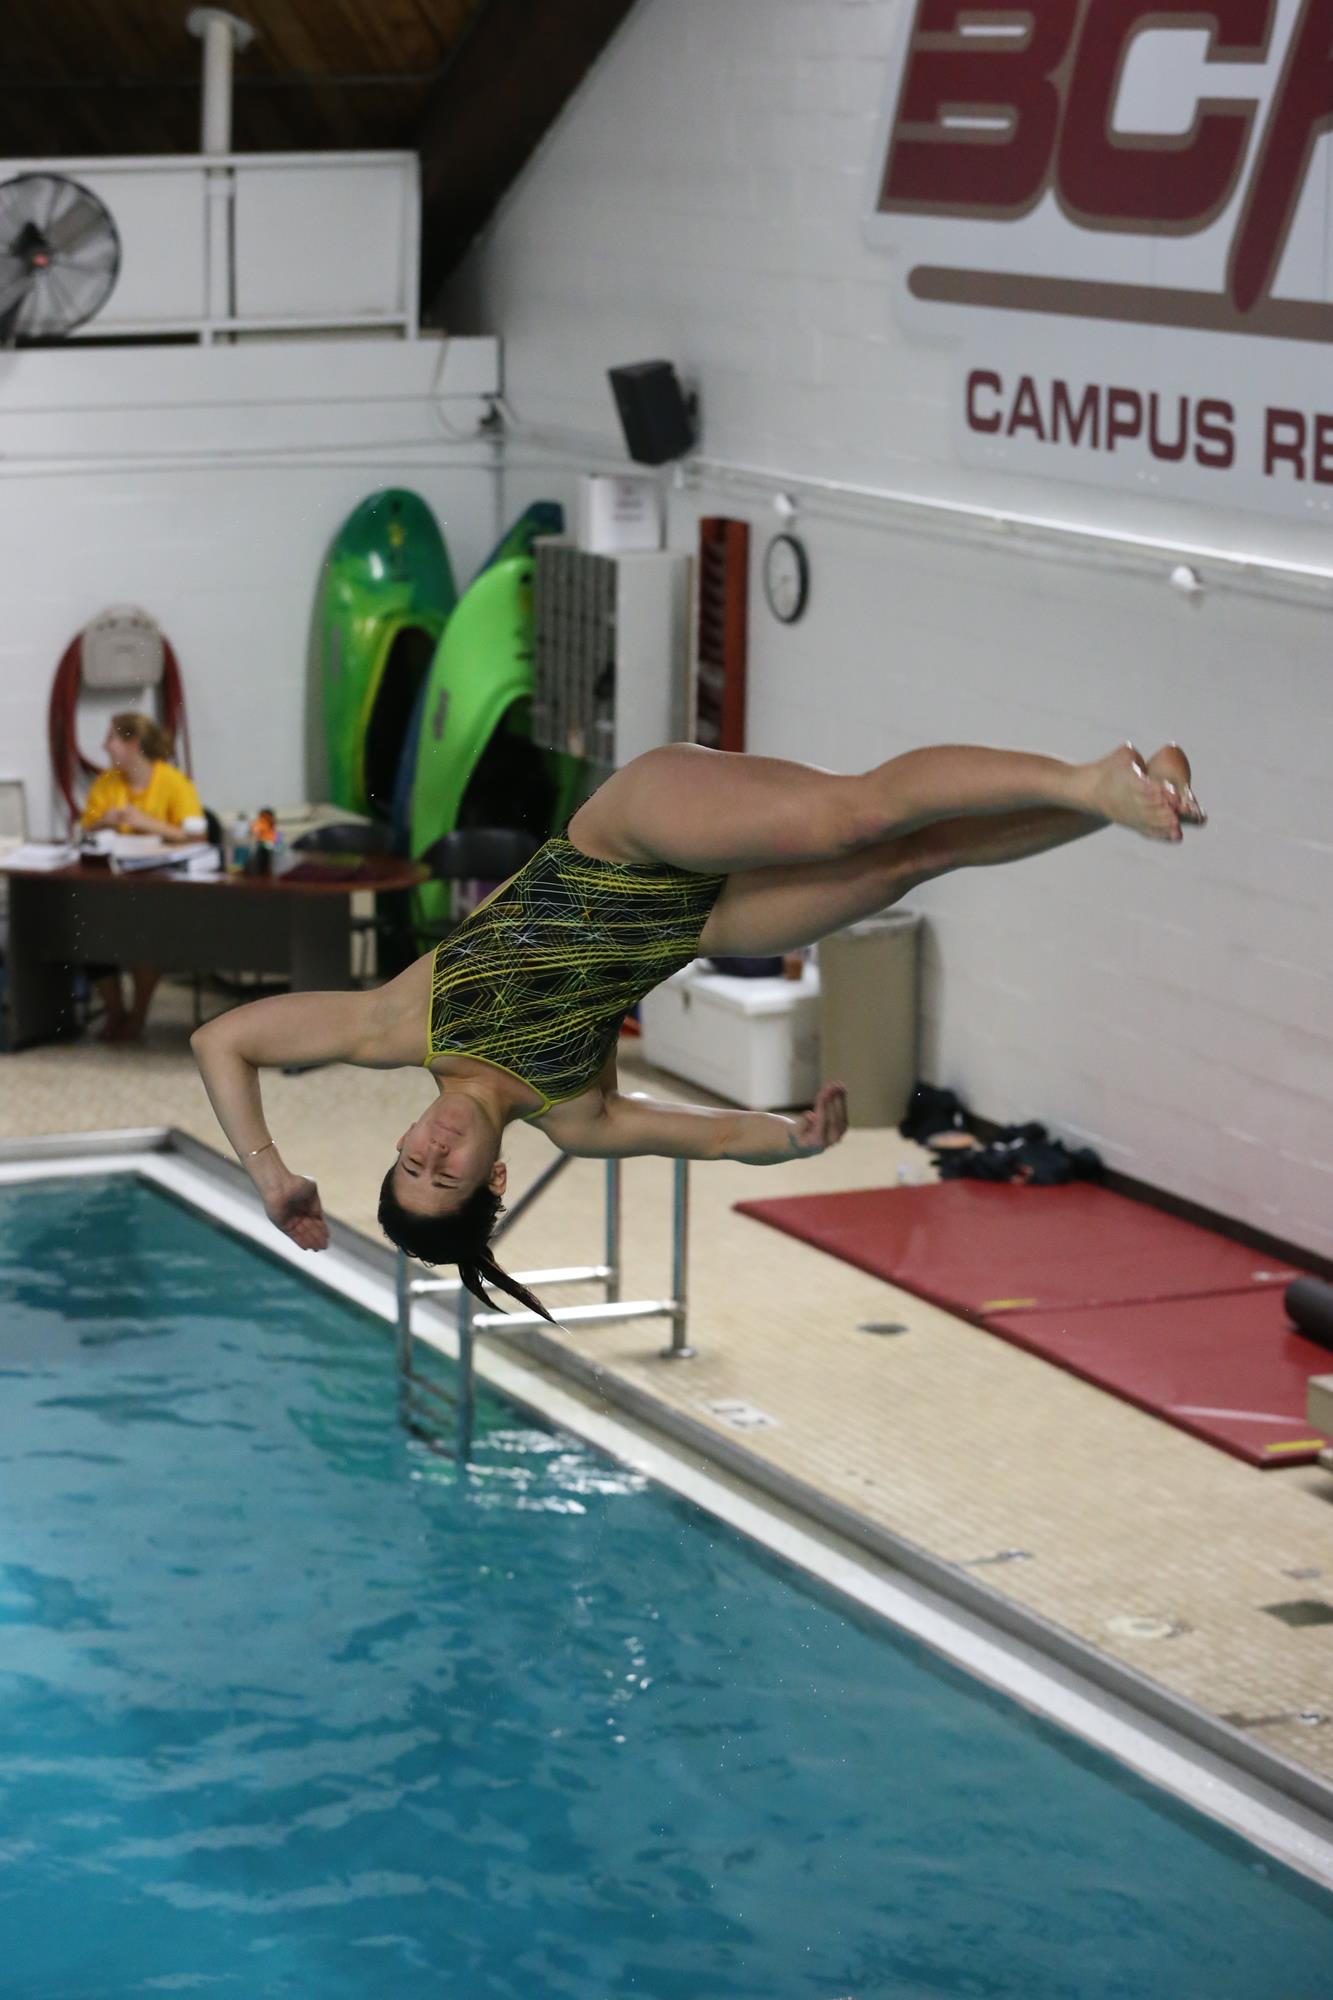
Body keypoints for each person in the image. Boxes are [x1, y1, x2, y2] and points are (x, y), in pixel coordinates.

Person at [190, 737, 1206, 1321]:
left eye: (410, 1159)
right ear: (493, 1177)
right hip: (699, 919)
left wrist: (270, 1173)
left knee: (848, 820)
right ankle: (1124, 793)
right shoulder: (571, 1115)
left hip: (628, 832)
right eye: (446, 1175)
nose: (434, 1148)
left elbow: (221, 1039)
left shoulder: (399, 1022)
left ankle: (1086, 783)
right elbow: (715, 1135)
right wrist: (796, 1141)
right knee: (908, 863)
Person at [80, 711, 208, 1041]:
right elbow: (84, 831)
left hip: (158, 889)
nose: (104, 746)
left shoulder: (173, 782)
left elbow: (196, 836)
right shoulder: (107, 782)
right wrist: (105, 821)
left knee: (143, 930)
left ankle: (137, 1016)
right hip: (111, 885)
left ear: (131, 743)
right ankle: (114, 1011)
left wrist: (145, 823)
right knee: (87, 929)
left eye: (110, 738)